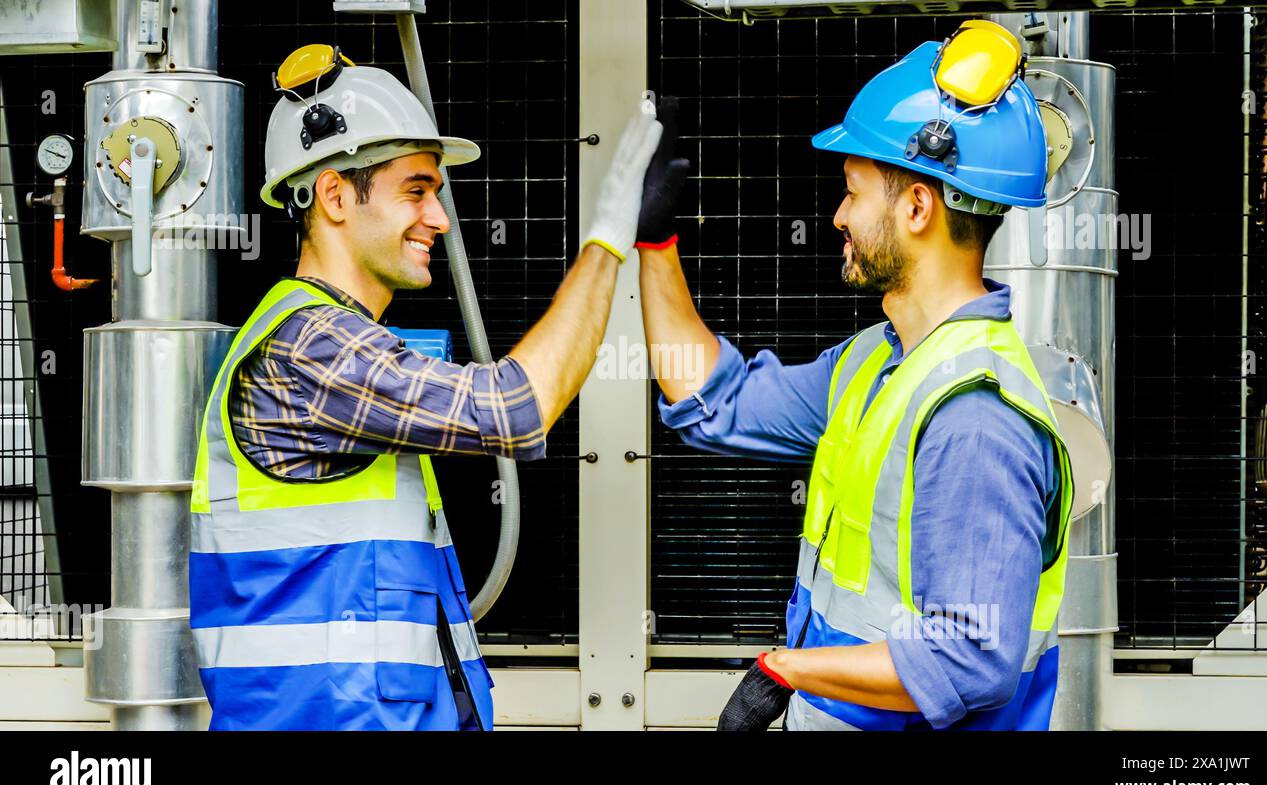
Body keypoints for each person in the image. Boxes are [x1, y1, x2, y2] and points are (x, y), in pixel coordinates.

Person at [188, 45, 663, 730]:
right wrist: (610, 233)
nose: (439, 218)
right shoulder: (312, 347)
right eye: (416, 190)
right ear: (333, 196)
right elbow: (515, 408)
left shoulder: (332, 340)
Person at [637, 22, 1075, 730]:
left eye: (852, 191)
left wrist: (787, 668)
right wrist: (653, 242)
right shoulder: (876, 361)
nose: (837, 214)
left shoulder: (976, 417)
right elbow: (711, 401)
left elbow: (967, 660)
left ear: (917, 207)